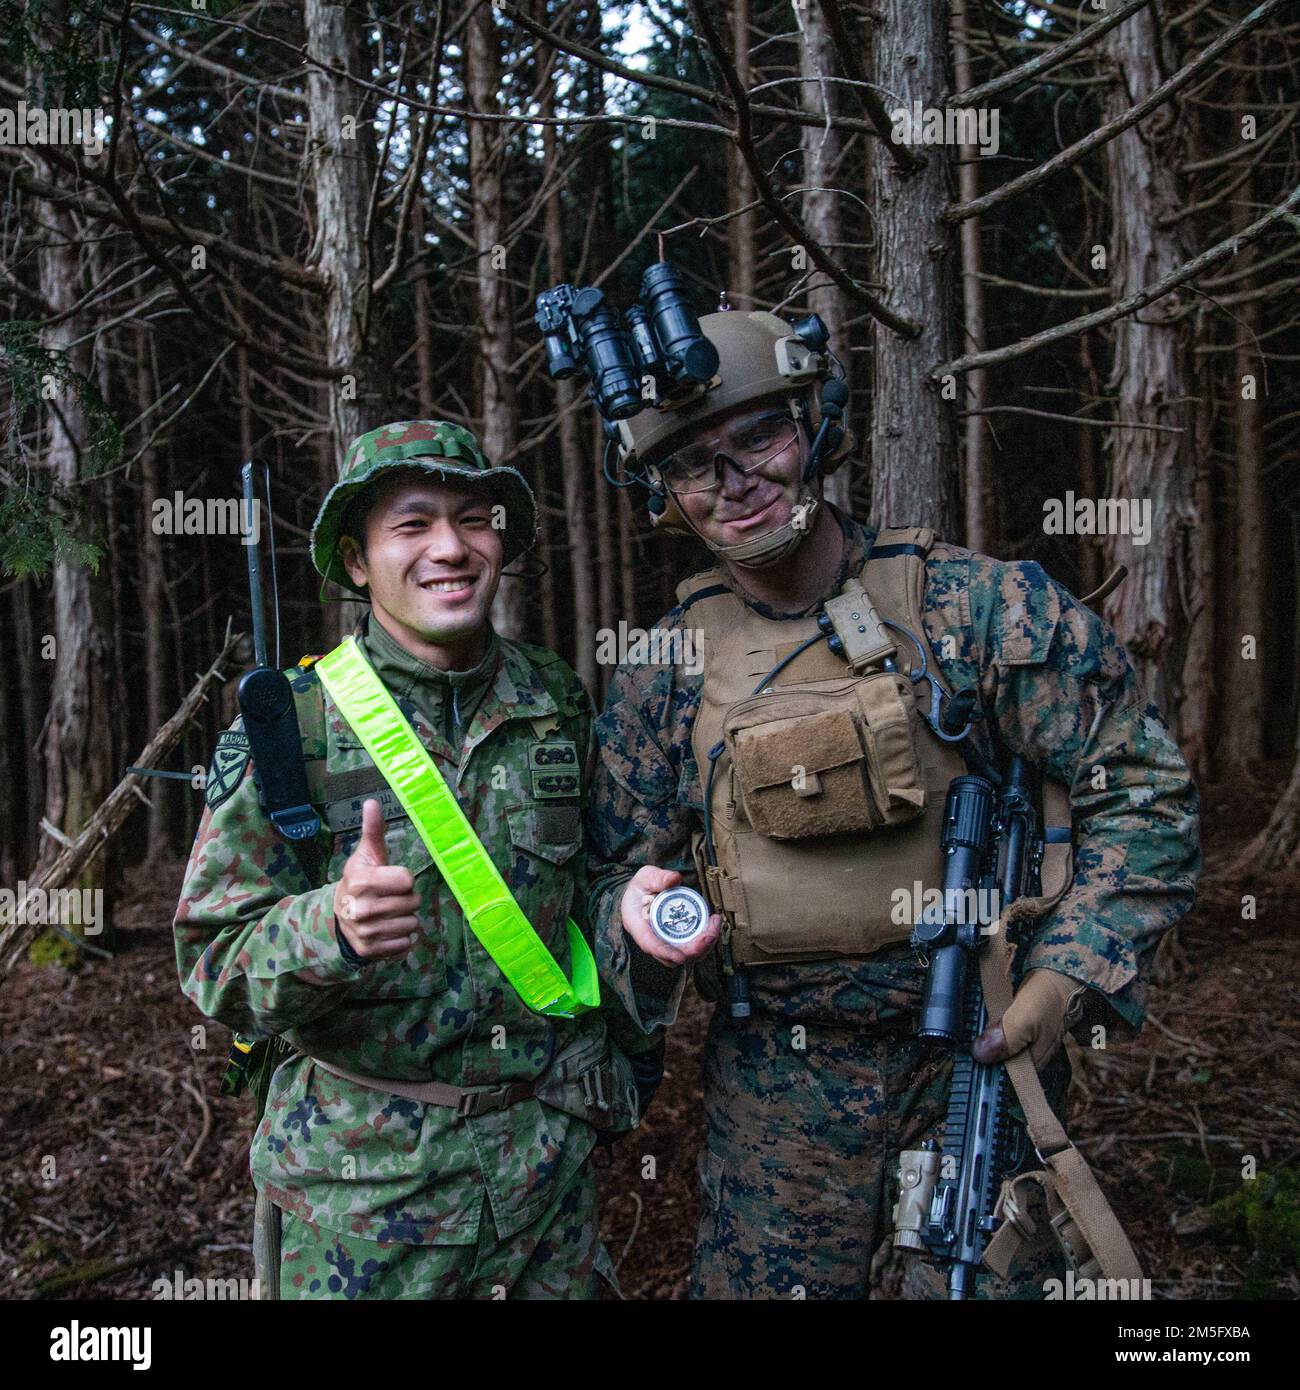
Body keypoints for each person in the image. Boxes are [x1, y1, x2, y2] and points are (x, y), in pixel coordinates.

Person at [584, 305, 1200, 1299]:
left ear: (815, 424)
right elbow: (613, 879)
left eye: (757, 436)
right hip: (770, 1104)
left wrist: (1063, 980)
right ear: (664, 494)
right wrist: (638, 928)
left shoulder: (974, 610)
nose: (733, 482)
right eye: (694, 463)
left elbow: (1138, 791)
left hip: (970, 1062)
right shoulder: (664, 671)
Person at [175, 419, 639, 1300]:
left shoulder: (554, 700)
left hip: (543, 1187)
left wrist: (635, 916)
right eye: (413, 524)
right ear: (357, 561)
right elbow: (211, 961)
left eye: (474, 518)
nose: (451, 549)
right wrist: (330, 928)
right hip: (364, 1207)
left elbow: (583, 895)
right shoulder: (293, 725)